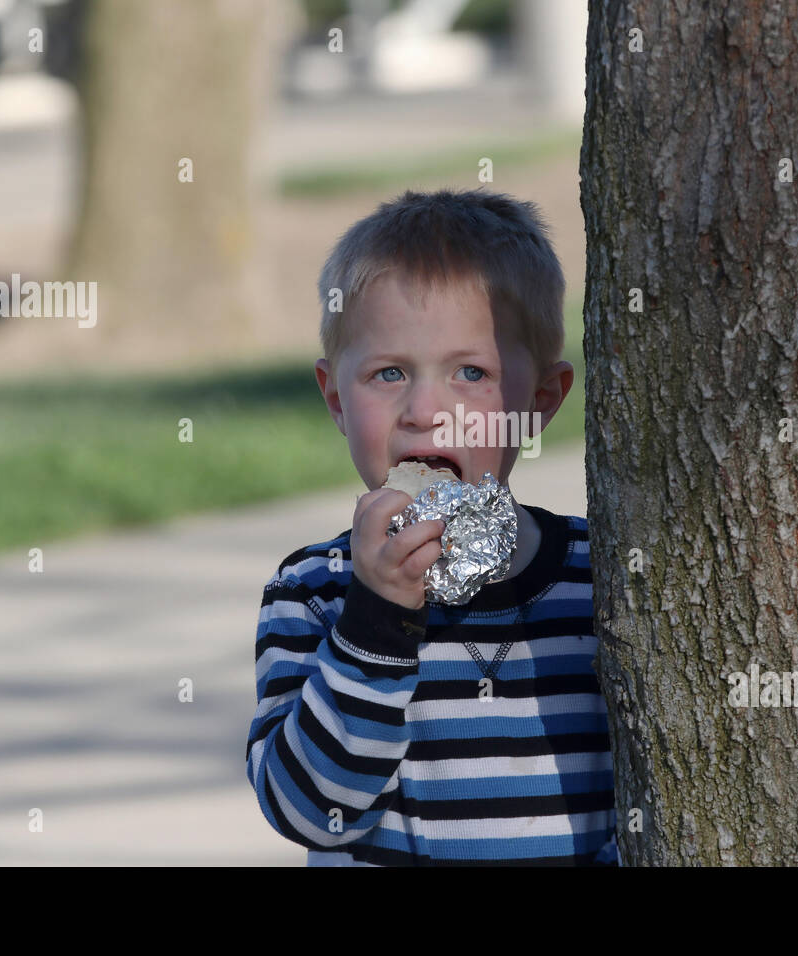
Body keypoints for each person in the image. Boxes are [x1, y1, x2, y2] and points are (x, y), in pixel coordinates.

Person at [245, 187, 618, 865]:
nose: (425, 409)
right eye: (388, 373)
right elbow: (308, 811)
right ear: (335, 399)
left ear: (538, 403)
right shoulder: (316, 593)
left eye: (470, 373)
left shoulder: (598, 581)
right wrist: (375, 621)